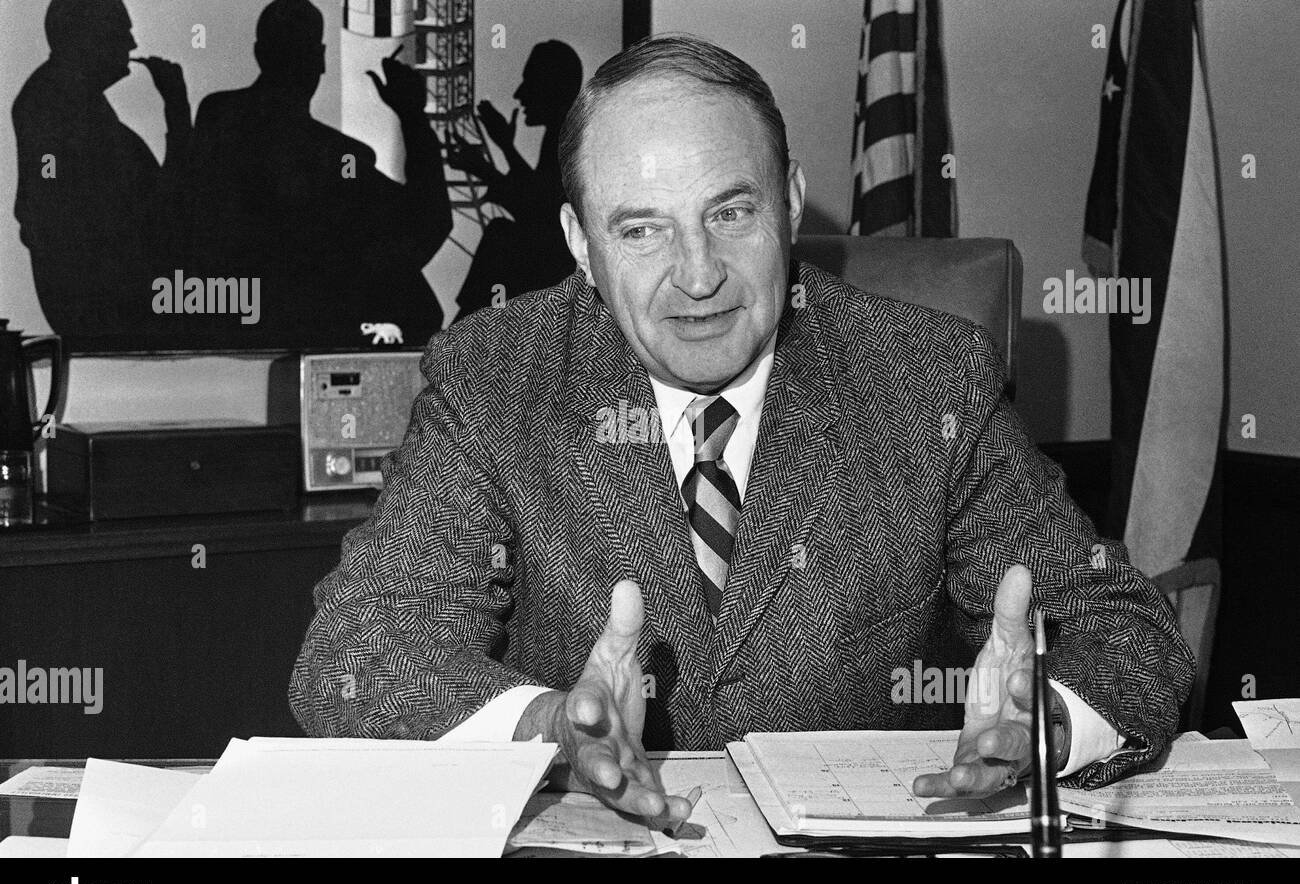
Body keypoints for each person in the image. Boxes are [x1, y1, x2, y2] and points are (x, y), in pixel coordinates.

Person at [291, 35, 1193, 826]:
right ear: (578, 242)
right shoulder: (497, 377)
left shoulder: (927, 381)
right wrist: (550, 727)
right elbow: (354, 655)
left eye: (730, 213)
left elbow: (1129, 630)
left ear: (790, 200)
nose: (698, 275)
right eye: (641, 230)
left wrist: (1049, 720)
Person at [184, 0, 451, 348]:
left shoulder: (218, 115)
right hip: (312, 323)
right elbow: (428, 221)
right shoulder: (336, 156)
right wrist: (412, 116)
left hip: (228, 313)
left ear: (260, 53)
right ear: (320, 59)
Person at [13, 0, 190, 347]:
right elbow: (48, 187)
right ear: (86, 39)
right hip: (109, 300)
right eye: (121, 32)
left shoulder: (70, 103)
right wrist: (177, 112)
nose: (132, 44)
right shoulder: (52, 107)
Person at [445, 40, 582, 318]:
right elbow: (537, 196)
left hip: (552, 276)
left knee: (501, 236)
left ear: (551, 88)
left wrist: (494, 159)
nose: (519, 94)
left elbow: (538, 212)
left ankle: (467, 326)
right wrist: (504, 148)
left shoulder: (566, 137)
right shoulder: (566, 133)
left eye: (530, 82)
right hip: (554, 274)